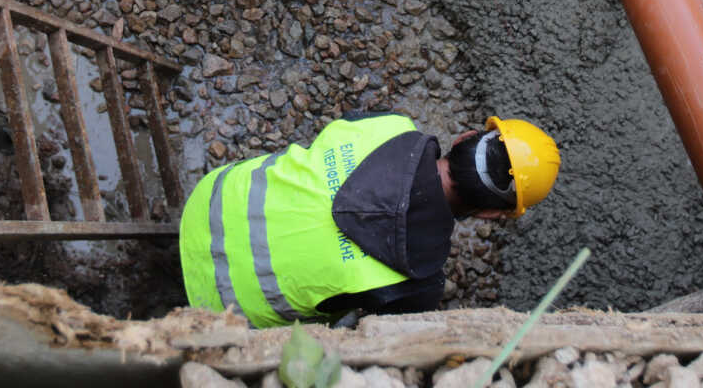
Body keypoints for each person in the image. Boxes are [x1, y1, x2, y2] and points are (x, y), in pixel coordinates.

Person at [177, 113, 560, 328]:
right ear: (493, 213)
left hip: (206, 203)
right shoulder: (421, 281)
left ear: (464, 138)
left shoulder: (391, 127)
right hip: (220, 307)